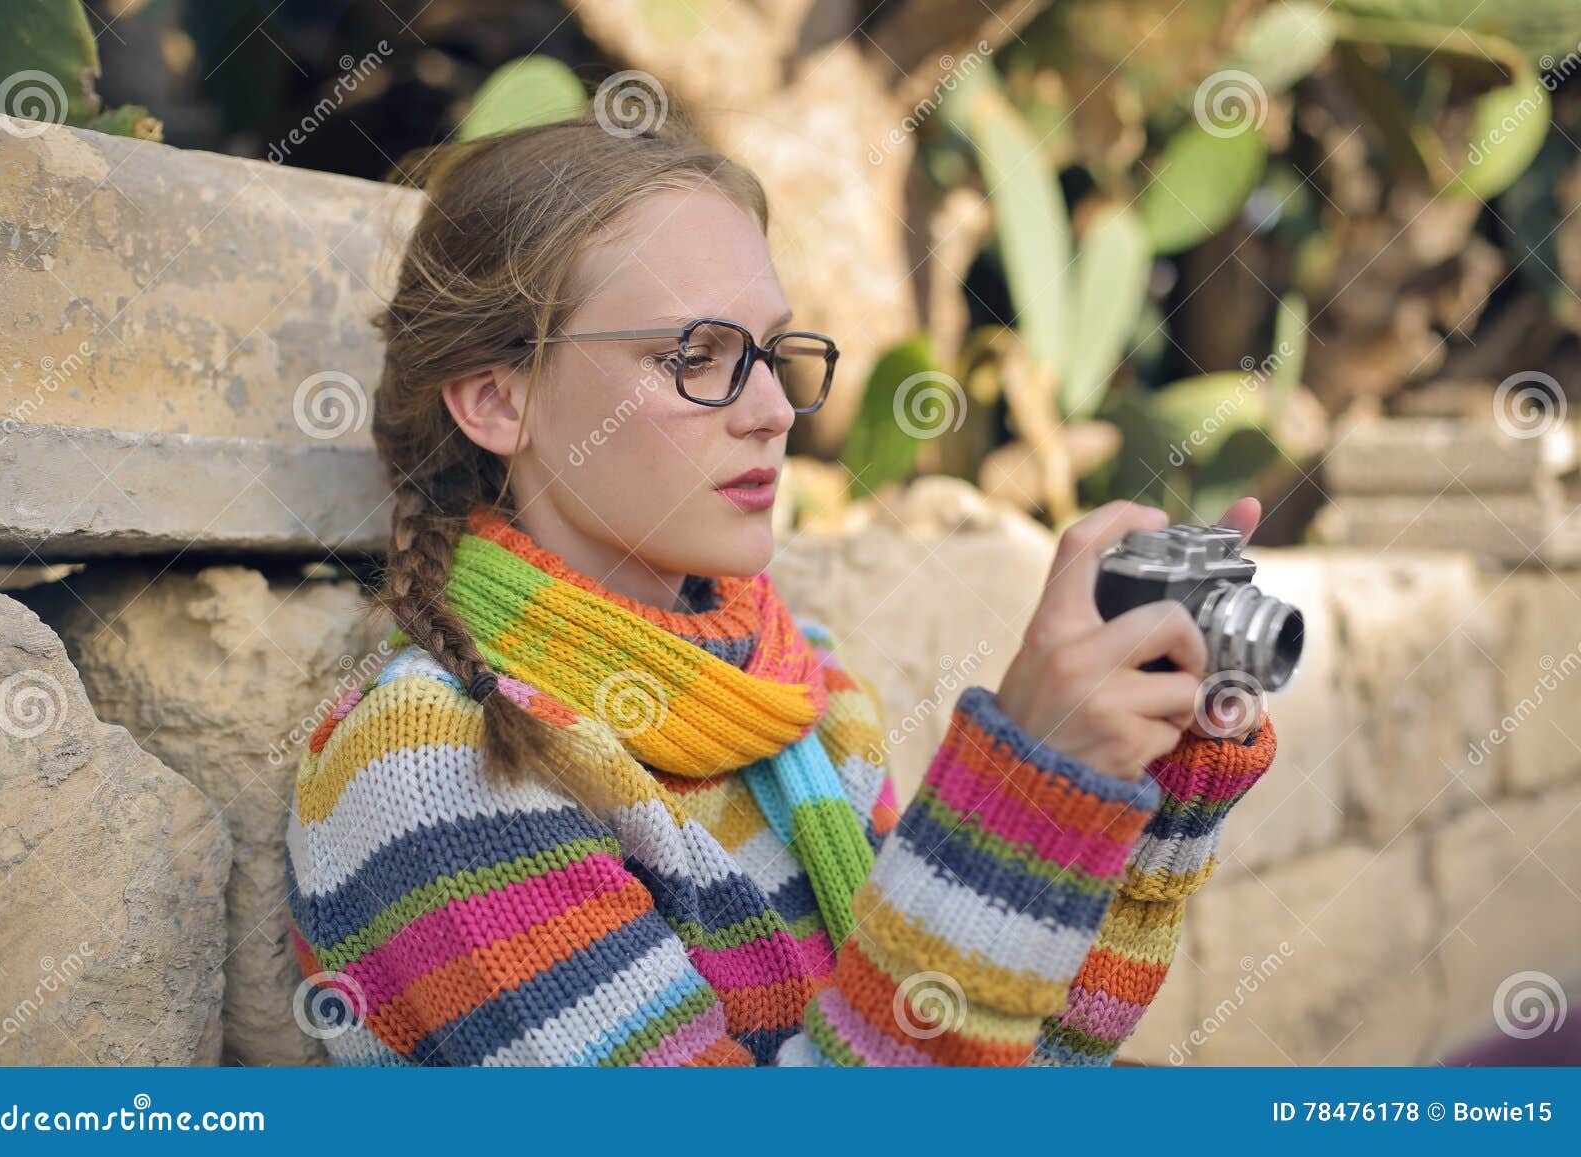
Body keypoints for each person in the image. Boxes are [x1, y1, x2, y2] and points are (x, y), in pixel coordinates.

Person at [282, 106, 1279, 1067]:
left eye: (767, 352)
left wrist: (1150, 775)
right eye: (692, 357)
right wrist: (1014, 796)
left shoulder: (803, 691)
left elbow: (1019, 1064)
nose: (770, 410)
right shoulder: (439, 763)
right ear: (500, 399)